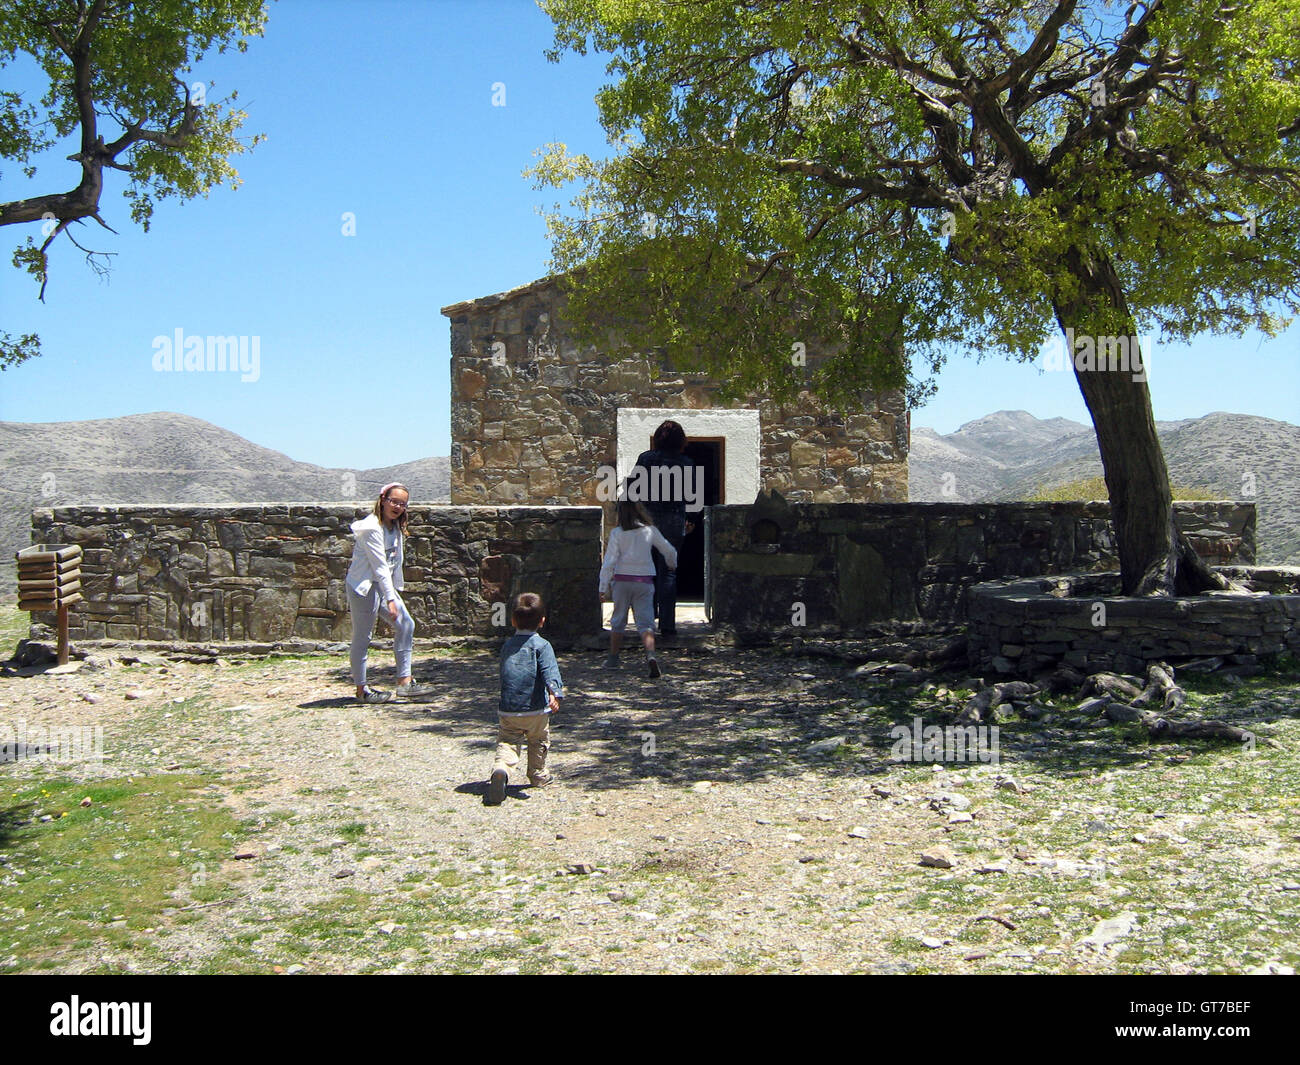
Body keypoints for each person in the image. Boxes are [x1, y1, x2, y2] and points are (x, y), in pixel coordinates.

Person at [345, 483, 433, 704]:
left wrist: (392, 592)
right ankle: (361, 689)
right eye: (394, 501)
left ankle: (405, 682)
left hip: (383, 586)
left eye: (402, 504)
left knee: (406, 624)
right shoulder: (370, 527)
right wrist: (391, 598)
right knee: (363, 636)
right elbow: (380, 566)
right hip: (364, 586)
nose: (397, 507)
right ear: (383, 499)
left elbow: (393, 563)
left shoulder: (394, 527)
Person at [487, 592, 564, 805]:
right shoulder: (542, 646)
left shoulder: (507, 646)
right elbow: (550, 671)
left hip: (509, 708)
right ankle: (538, 775)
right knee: (538, 741)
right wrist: (554, 693)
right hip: (536, 708)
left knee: (508, 741)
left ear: (512, 620)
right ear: (542, 621)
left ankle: (501, 769)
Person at [598, 497, 678, 677]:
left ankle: (613, 658)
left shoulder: (618, 533)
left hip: (622, 581)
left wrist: (603, 586)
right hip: (644, 581)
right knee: (645, 622)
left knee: (618, 620)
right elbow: (669, 550)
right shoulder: (650, 531)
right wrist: (671, 564)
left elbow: (609, 561)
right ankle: (650, 655)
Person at [633, 419, 698, 637]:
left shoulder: (646, 459)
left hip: (648, 518)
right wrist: (690, 519)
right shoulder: (686, 463)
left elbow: (633, 488)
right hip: (673, 519)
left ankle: (648, 622)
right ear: (681, 440)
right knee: (669, 572)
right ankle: (668, 626)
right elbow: (692, 496)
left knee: (647, 571)